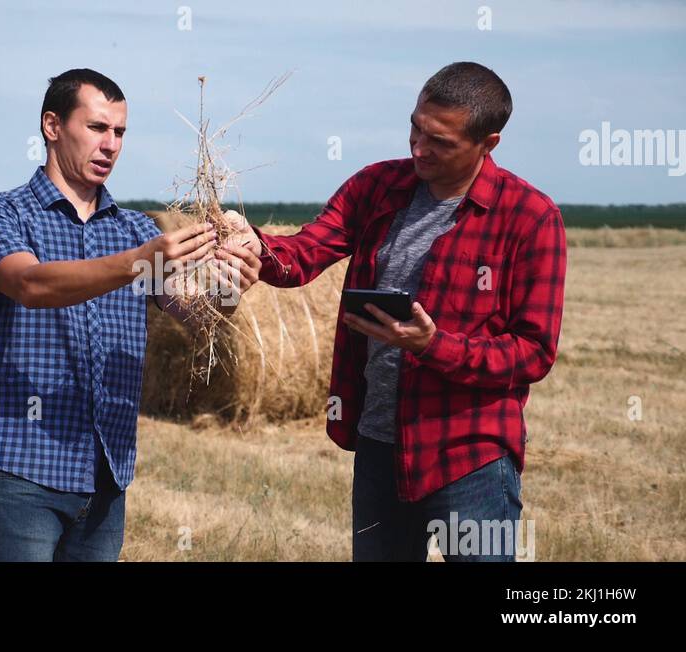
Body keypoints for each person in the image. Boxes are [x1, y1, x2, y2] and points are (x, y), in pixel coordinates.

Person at [227, 62, 566, 561]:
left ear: (488, 143)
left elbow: (532, 353)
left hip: (468, 452)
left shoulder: (531, 218)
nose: (418, 149)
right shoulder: (377, 186)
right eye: (415, 127)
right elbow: (304, 253)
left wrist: (433, 346)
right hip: (379, 442)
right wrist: (250, 246)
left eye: (440, 142)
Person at [0, 68, 261, 561]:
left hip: (106, 473)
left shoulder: (133, 229)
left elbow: (195, 319)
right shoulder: (0, 214)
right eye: (97, 128)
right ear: (52, 126)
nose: (111, 144)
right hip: (21, 467)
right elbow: (30, 284)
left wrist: (232, 286)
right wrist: (137, 263)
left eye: (120, 132)